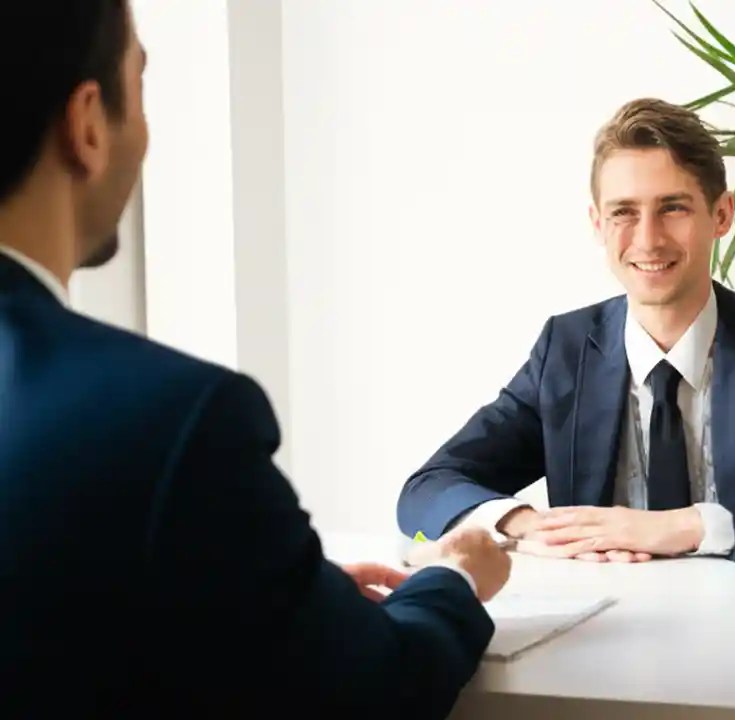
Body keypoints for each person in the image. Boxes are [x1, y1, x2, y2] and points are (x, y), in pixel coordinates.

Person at [0, 2, 510, 715]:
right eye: (141, 86)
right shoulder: (172, 421)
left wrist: (265, 580)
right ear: (88, 124)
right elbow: (375, 689)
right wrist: (452, 581)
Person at [397, 98, 735, 564]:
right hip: (600, 640)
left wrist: (684, 527)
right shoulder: (565, 351)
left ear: (722, 214)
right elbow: (429, 488)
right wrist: (532, 525)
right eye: (624, 212)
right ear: (598, 224)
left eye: (673, 208)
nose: (648, 239)